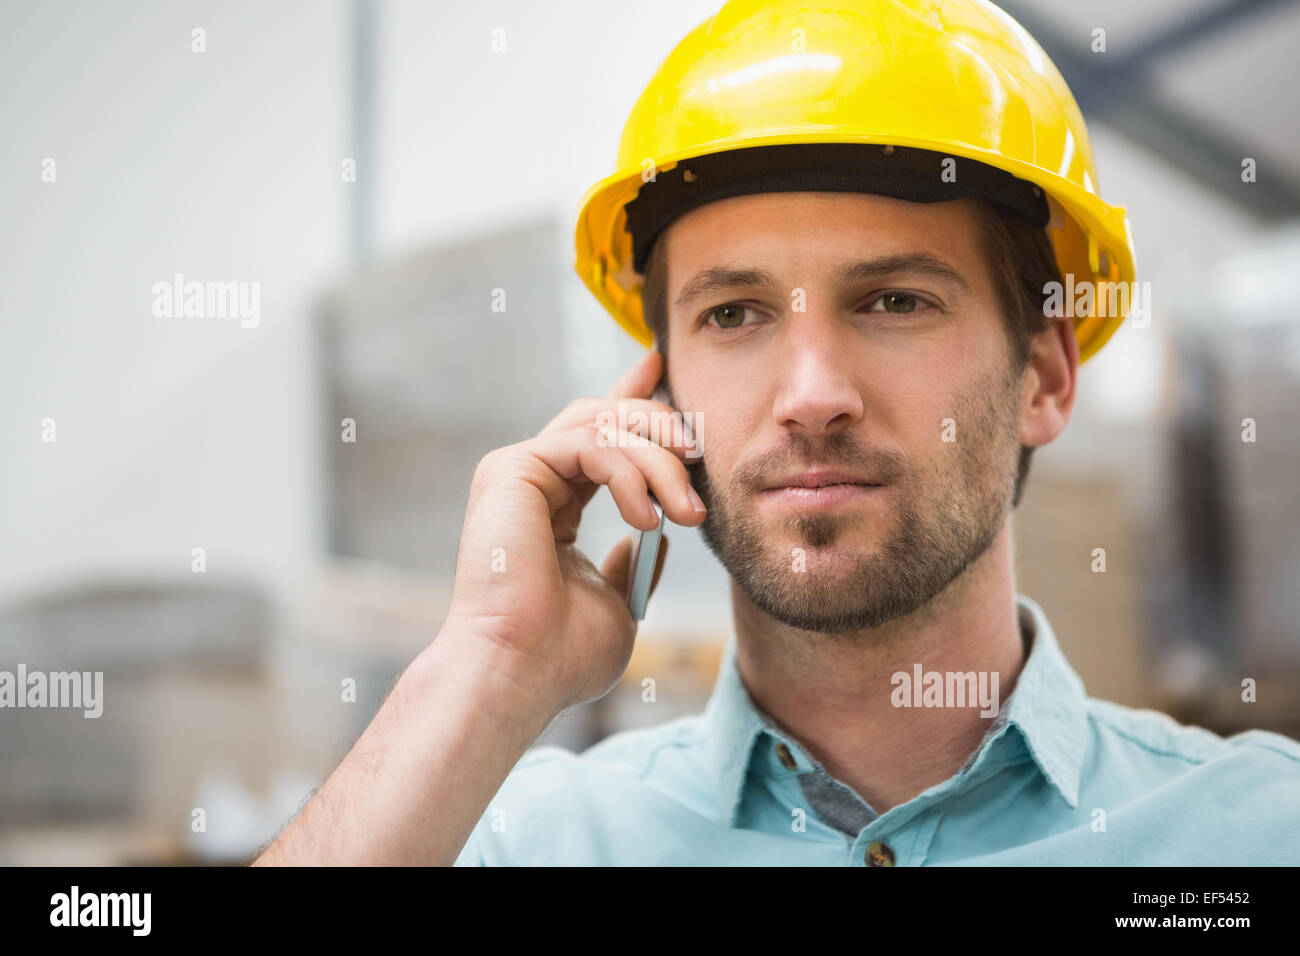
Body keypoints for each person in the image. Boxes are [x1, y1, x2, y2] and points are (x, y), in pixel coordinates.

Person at [254, 0, 1300, 866]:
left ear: (1042, 373)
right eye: (734, 314)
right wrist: (484, 666)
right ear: (657, 400)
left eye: (893, 300)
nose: (810, 393)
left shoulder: (1256, 833)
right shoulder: (535, 842)